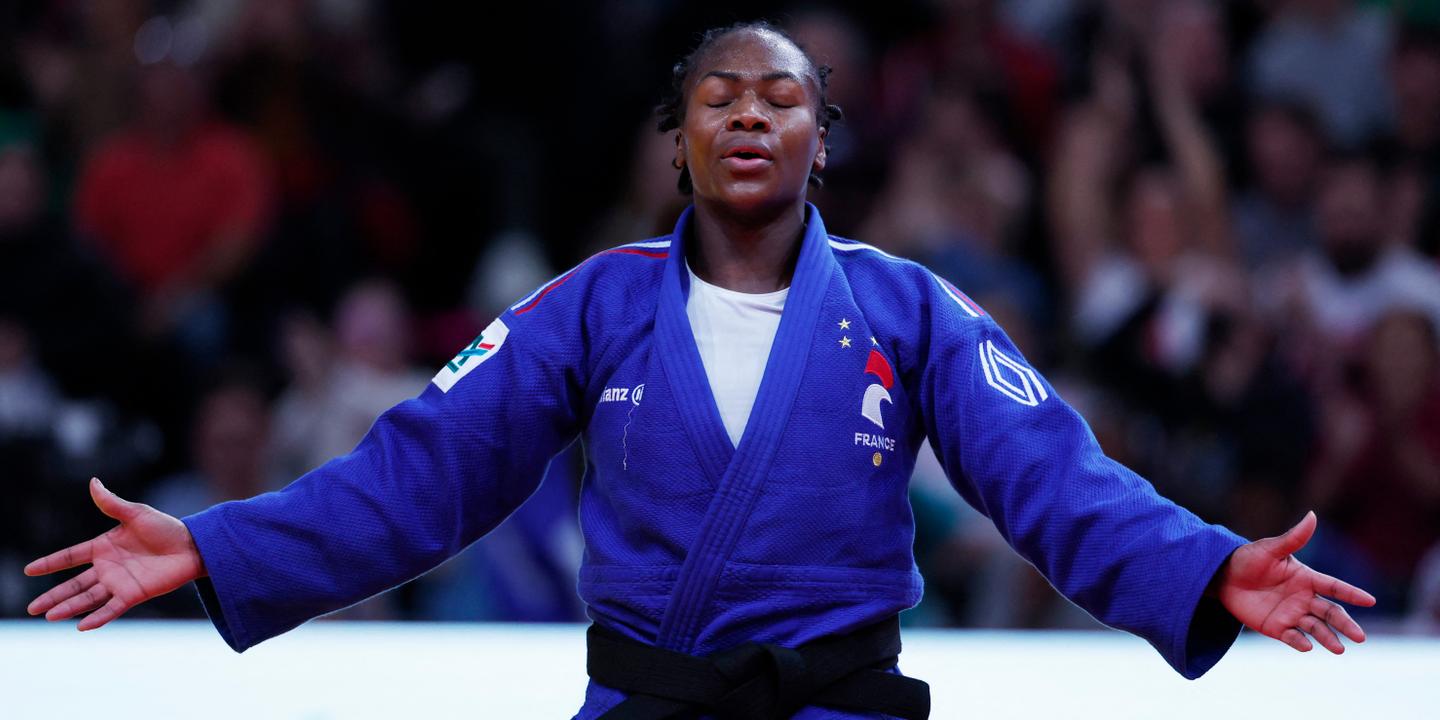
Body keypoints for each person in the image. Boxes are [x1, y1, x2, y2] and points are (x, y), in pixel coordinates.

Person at [24, 22, 1375, 720]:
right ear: (677, 144)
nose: (746, 113)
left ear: (822, 143)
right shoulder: (592, 306)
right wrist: (214, 548)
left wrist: (1205, 568)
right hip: (649, 709)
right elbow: (418, 474)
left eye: (779, 97)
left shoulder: (911, 308)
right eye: (717, 97)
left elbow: (1051, 479)